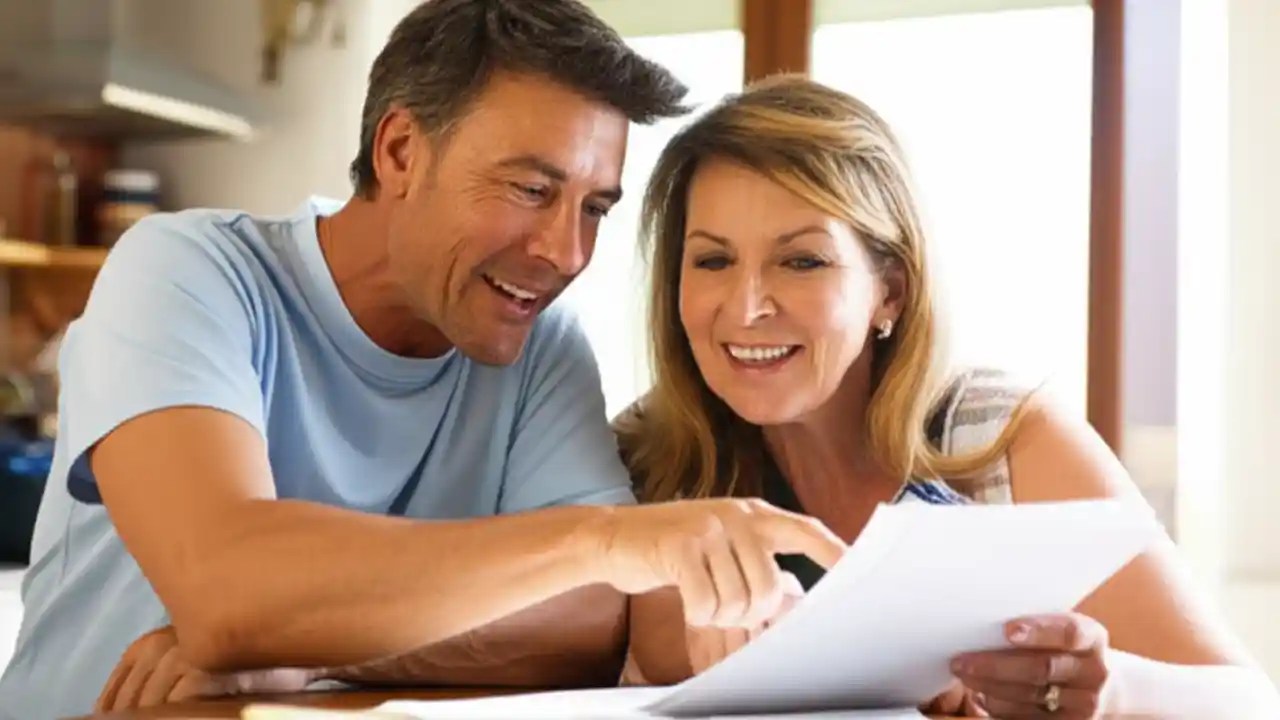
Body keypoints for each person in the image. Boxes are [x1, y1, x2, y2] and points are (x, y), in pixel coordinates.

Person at [0, 3, 846, 717]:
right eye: (530, 189)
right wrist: (604, 542)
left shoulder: (539, 343)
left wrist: (313, 654)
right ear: (401, 151)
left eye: (595, 207)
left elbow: (589, 621)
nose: (565, 251)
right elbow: (228, 590)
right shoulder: (186, 272)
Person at [614, 76, 1279, 717]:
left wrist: (1113, 693)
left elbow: (1246, 702)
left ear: (890, 292)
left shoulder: (1000, 441)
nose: (748, 305)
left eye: (802, 260)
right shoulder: (642, 461)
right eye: (712, 261)